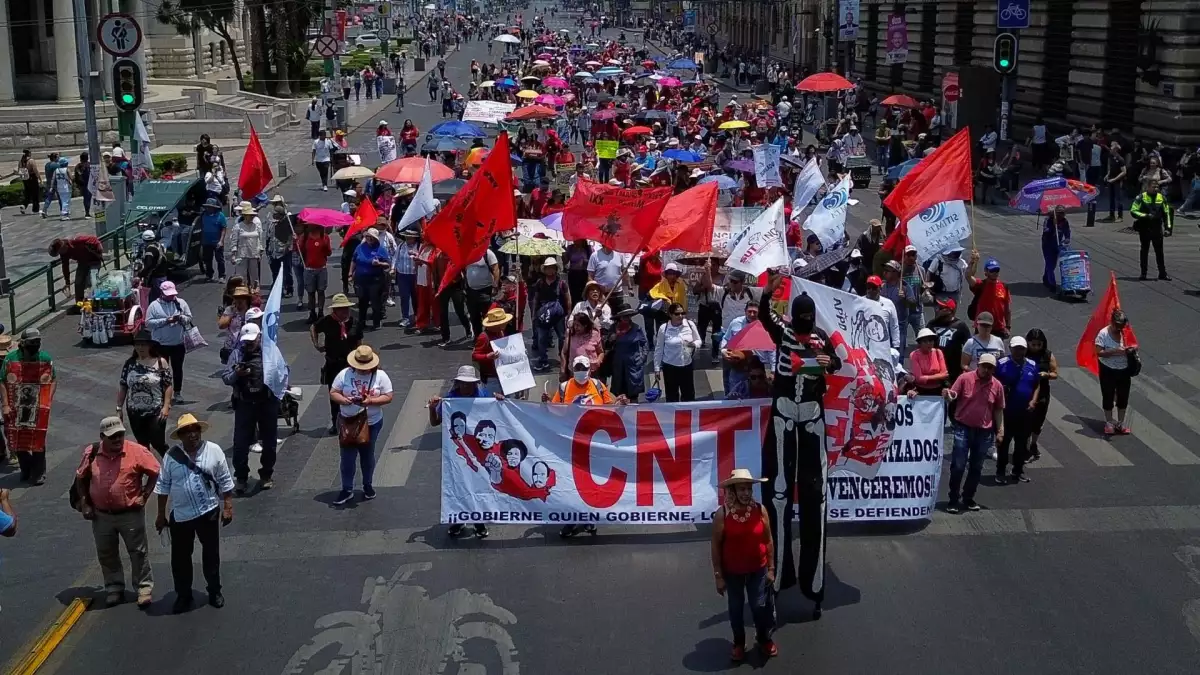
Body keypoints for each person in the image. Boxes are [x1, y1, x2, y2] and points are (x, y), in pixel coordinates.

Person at [757, 273, 840, 613]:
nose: (806, 325)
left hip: (812, 418)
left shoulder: (820, 337)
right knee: (777, 494)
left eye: (809, 320)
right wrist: (768, 290)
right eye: (802, 318)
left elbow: (835, 361)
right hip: (783, 415)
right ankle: (776, 581)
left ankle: (814, 584)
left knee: (815, 497)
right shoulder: (784, 332)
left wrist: (828, 363)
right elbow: (766, 315)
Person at [74, 416, 160, 608]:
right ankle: (113, 587)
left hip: (130, 513)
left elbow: (155, 472)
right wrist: (85, 503)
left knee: (138, 552)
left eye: (120, 435)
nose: (117, 440)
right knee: (106, 552)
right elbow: (80, 478)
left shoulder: (137, 452)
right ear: (102, 437)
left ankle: (143, 587)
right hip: (101, 514)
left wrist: (145, 494)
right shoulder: (92, 452)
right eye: (112, 437)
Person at [154, 414, 234, 613]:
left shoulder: (214, 451)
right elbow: (163, 487)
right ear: (180, 436)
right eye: (186, 432)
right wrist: (160, 515)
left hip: (208, 512)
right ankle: (183, 595)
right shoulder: (171, 457)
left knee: (211, 555)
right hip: (180, 516)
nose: (192, 435)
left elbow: (225, 480)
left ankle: (214, 590)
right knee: (180, 559)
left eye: (195, 430)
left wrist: (228, 507)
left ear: (200, 431)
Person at [428, 365, 504, 538]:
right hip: (457, 453)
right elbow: (435, 422)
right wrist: (433, 407)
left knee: (477, 484)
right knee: (459, 486)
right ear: (458, 383)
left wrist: (500, 401)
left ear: (475, 384)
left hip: (478, 453)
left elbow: (498, 416)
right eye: (462, 383)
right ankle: (458, 520)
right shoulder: (450, 399)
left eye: (469, 383)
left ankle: (479, 522)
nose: (466, 387)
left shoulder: (483, 396)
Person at [710, 468, 777, 662]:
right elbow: (715, 546)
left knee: (759, 607)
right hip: (733, 573)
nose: (746, 493)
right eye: (741, 489)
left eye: (748, 489)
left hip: (759, 569)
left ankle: (764, 639)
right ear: (732, 491)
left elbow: (768, 540)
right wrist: (718, 575)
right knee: (735, 609)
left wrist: (771, 568)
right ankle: (739, 643)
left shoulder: (760, 510)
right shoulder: (722, 515)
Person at [330, 346, 394, 506]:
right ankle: (347, 488)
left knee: (367, 455)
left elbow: (388, 396)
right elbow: (333, 392)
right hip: (348, 421)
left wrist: (371, 401)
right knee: (347, 458)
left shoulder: (381, 376)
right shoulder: (344, 374)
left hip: (371, 423)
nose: (363, 371)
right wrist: (343, 400)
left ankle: (367, 485)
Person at [942, 353, 1005, 514]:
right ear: (978, 365)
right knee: (958, 466)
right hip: (963, 427)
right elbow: (953, 395)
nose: (986, 370)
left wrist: (1000, 430)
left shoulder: (997, 386)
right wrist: (948, 395)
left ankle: (968, 497)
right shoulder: (965, 378)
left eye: (990, 367)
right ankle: (953, 499)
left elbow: (998, 409)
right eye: (984, 366)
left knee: (976, 467)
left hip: (984, 432)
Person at [223, 324, 281, 494]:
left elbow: (284, 372)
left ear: (259, 337)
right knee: (240, 444)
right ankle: (241, 477)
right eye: (246, 341)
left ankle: (266, 474)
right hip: (244, 404)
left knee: (269, 443)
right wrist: (237, 375)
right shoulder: (236, 354)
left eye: (252, 340)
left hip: (267, 403)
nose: (249, 344)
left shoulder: (270, 352)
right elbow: (226, 377)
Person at [0, 329, 56, 485]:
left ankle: (38, 473)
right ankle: (26, 469)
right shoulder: (10, 359)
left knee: (38, 439)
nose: (35, 345)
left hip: (37, 406)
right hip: (15, 406)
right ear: (23, 344)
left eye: (37, 342)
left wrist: (48, 400)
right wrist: (5, 404)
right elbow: (2, 381)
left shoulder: (45, 358)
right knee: (17, 440)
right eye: (32, 343)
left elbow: (53, 379)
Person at [311, 294, 361, 434]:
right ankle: (336, 423)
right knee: (335, 396)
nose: (345, 311)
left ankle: (353, 421)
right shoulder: (327, 321)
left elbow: (358, 342)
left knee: (353, 393)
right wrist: (316, 344)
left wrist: (360, 360)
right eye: (341, 309)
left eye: (346, 308)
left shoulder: (354, 322)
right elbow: (313, 327)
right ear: (335, 310)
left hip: (350, 365)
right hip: (333, 364)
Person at [117, 330, 172, 456]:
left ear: (150, 346)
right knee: (142, 444)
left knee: (158, 442)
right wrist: (119, 407)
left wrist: (166, 406)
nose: (140, 348)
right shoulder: (129, 364)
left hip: (155, 411)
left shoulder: (160, 362)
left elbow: (168, 385)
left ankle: (172, 465)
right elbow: (123, 385)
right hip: (134, 411)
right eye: (138, 344)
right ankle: (147, 469)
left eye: (143, 344)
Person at [994, 336, 1041, 484]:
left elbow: (1037, 385)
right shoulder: (1001, 364)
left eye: (1022, 348)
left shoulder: (1033, 365)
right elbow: (992, 383)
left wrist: (1034, 401)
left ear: (1026, 349)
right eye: (1016, 348)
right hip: (1007, 411)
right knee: (1004, 443)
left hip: (1025, 412)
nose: (1019, 351)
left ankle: (1018, 471)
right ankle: (1000, 472)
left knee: (1021, 444)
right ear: (1010, 348)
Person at [146, 281, 193, 403]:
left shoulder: (181, 303)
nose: (171, 297)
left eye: (172, 294)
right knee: (161, 370)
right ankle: (161, 392)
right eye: (168, 294)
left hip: (178, 343)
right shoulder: (154, 306)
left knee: (178, 369)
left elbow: (189, 317)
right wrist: (166, 321)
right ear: (162, 293)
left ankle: (177, 393)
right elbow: (149, 323)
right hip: (160, 345)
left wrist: (182, 318)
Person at [720, 301, 775, 394]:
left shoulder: (766, 326)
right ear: (745, 311)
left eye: (755, 312)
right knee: (735, 394)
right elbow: (726, 338)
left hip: (757, 367)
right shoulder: (736, 323)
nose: (752, 314)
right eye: (749, 311)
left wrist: (773, 371)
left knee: (757, 395)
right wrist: (724, 350)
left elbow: (772, 349)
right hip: (739, 365)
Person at [1094, 309, 1134, 435]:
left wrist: (1131, 350)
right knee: (1108, 396)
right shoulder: (1103, 334)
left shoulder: (1126, 332)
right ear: (1112, 322)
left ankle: (1120, 423)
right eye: (1118, 326)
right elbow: (1099, 352)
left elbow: (1134, 344)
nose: (1120, 329)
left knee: (1123, 397)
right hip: (1108, 370)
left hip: (1124, 370)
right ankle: (1109, 422)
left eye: (1122, 326)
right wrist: (1116, 351)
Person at [653, 302, 701, 403]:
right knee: (671, 396)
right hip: (670, 367)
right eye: (677, 314)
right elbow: (659, 349)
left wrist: (694, 345)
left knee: (689, 396)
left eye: (682, 313)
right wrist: (657, 368)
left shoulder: (690, 324)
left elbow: (698, 340)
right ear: (670, 315)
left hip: (686, 365)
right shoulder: (664, 328)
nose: (680, 316)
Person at [531, 257, 571, 372]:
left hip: (558, 315)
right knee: (541, 338)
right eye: (547, 268)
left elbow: (568, 299)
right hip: (543, 315)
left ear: (555, 269)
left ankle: (562, 357)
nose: (550, 270)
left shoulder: (562, 283)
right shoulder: (540, 282)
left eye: (552, 268)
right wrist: (534, 313)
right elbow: (536, 298)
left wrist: (569, 314)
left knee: (562, 337)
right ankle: (543, 360)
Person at [1024, 328, 1057, 463]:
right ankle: (1024, 448)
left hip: (1042, 392)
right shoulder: (1023, 354)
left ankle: (1033, 443)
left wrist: (1047, 375)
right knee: (1026, 421)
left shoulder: (1048, 355)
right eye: (1033, 344)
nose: (1036, 347)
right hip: (1026, 392)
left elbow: (1055, 373)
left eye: (1039, 344)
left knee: (1038, 421)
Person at [1130, 179, 1173, 281]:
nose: (1155, 189)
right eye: (1153, 187)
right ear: (1148, 187)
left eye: (1157, 187)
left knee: (1159, 252)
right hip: (1144, 227)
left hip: (1157, 228)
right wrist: (1145, 216)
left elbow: (1167, 214)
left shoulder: (1162, 198)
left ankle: (1162, 273)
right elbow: (1133, 211)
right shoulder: (1141, 197)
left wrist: (1168, 229)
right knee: (1144, 251)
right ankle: (1143, 273)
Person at [350, 228, 391, 331]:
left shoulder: (380, 249)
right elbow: (354, 260)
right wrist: (350, 273)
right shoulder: (360, 247)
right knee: (362, 301)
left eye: (372, 237)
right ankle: (362, 322)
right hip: (361, 279)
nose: (369, 239)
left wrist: (379, 264)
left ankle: (376, 322)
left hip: (375, 279)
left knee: (375, 301)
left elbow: (387, 264)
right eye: (368, 237)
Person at [926, 298, 971, 386]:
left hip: (953, 368)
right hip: (934, 367)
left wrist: (965, 366)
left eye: (941, 308)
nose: (938, 309)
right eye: (938, 307)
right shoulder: (932, 324)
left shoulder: (960, 325)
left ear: (950, 310)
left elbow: (968, 347)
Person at [48, 235, 104, 305]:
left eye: (60, 251)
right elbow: (65, 267)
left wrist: (99, 248)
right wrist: (67, 283)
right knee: (78, 283)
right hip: (82, 262)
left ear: (63, 245)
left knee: (90, 281)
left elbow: (94, 239)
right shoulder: (64, 254)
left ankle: (93, 303)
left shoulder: (76, 240)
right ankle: (80, 305)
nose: (61, 253)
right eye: (59, 253)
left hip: (94, 260)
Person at [967, 258, 1011, 338]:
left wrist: (1008, 327)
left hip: (998, 328)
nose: (995, 273)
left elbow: (1007, 309)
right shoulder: (980, 285)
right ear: (986, 272)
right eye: (992, 270)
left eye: (997, 270)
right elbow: (968, 276)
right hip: (982, 326)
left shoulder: (1004, 287)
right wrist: (973, 262)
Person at [463, 248, 500, 336]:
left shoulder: (487, 253)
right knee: (474, 317)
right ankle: (478, 339)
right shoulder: (466, 254)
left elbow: (496, 269)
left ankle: (491, 338)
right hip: (471, 291)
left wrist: (495, 285)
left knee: (488, 317)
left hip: (486, 290)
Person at [472, 308, 512, 386]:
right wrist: (487, 356)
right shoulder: (484, 337)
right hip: (491, 377)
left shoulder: (500, 332)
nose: (505, 324)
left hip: (503, 373)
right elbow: (475, 356)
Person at [230, 202, 265, 291]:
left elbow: (260, 240)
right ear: (245, 216)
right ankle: (242, 293)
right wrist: (233, 255)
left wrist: (260, 252)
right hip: (242, 255)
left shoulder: (256, 226)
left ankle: (255, 294)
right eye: (250, 215)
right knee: (242, 276)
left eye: (252, 215)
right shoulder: (238, 226)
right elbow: (234, 241)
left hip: (253, 254)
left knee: (254, 277)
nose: (252, 217)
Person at [907, 328, 949, 396]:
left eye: (930, 341)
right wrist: (938, 376)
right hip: (920, 390)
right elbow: (919, 378)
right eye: (925, 341)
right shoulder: (914, 355)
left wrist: (926, 377)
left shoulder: (938, 352)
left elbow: (944, 374)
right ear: (920, 343)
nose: (928, 343)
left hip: (938, 390)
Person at [1042, 206, 1071, 290]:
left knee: (1053, 264)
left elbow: (1067, 233)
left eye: (1063, 213)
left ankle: (1046, 278)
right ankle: (1052, 284)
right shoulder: (1048, 220)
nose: (1061, 216)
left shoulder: (1064, 221)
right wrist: (1054, 227)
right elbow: (1046, 231)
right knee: (1049, 264)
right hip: (1047, 244)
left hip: (1057, 244)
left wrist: (1066, 239)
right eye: (1059, 213)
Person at [200, 198, 228, 283]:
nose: (208, 209)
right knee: (207, 260)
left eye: (210, 207)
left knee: (220, 259)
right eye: (207, 207)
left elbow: (223, 228)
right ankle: (209, 275)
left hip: (217, 241)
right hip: (206, 242)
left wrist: (221, 241)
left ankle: (222, 276)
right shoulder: (203, 215)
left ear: (214, 208)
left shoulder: (220, 216)